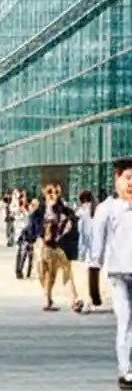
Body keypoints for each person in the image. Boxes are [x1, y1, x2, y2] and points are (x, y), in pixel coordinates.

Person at [91, 157, 132, 390]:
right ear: (117, 179)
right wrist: (93, 281)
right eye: (128, 178)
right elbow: (96, 247)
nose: (131, 184)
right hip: (119, 275)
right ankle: (125, 371)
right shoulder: (108, 209)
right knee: (125, 321)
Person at [30, 183, 82, 313]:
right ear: (44, 194)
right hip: (44, 247)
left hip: (60, 247)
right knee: (46, 274)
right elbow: (32, 230)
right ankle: (48, 299)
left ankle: (74, 300)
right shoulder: (39, 213)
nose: (53, 195)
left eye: (56, 192)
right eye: (50, 192)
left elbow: (73, 226)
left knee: (67, 273)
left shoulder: (65, 211)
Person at [78, 189, 104, 309]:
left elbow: (83, 235)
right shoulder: (98, 211)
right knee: (94, 275)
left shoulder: (83, 214)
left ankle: (87, 302)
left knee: (85, 277)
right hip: (98, 249)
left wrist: (81, 252)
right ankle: (95, 300)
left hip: (89, 249)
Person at [16, 198, 39, 280]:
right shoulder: (29, 215)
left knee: (29, 256)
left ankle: (28, 273)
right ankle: (20, 272)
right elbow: (28, 227)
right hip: (25, 238)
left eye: (35, 205)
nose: (33, 207)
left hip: (30, 238)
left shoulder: (35, 216)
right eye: (33, 205)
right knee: (23, 255)